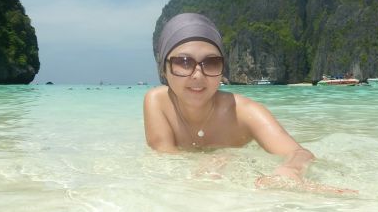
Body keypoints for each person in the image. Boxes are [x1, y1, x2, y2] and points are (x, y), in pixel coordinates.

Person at [144, 13, 353, 193]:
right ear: (164, 69)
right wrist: (209, 162)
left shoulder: (246, 112)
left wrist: (289, 171)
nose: (198, 74)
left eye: (211, 62)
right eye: (183, 62)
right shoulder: (157, 103)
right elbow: (165, 158)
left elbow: (300, 153)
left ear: (222, 69)